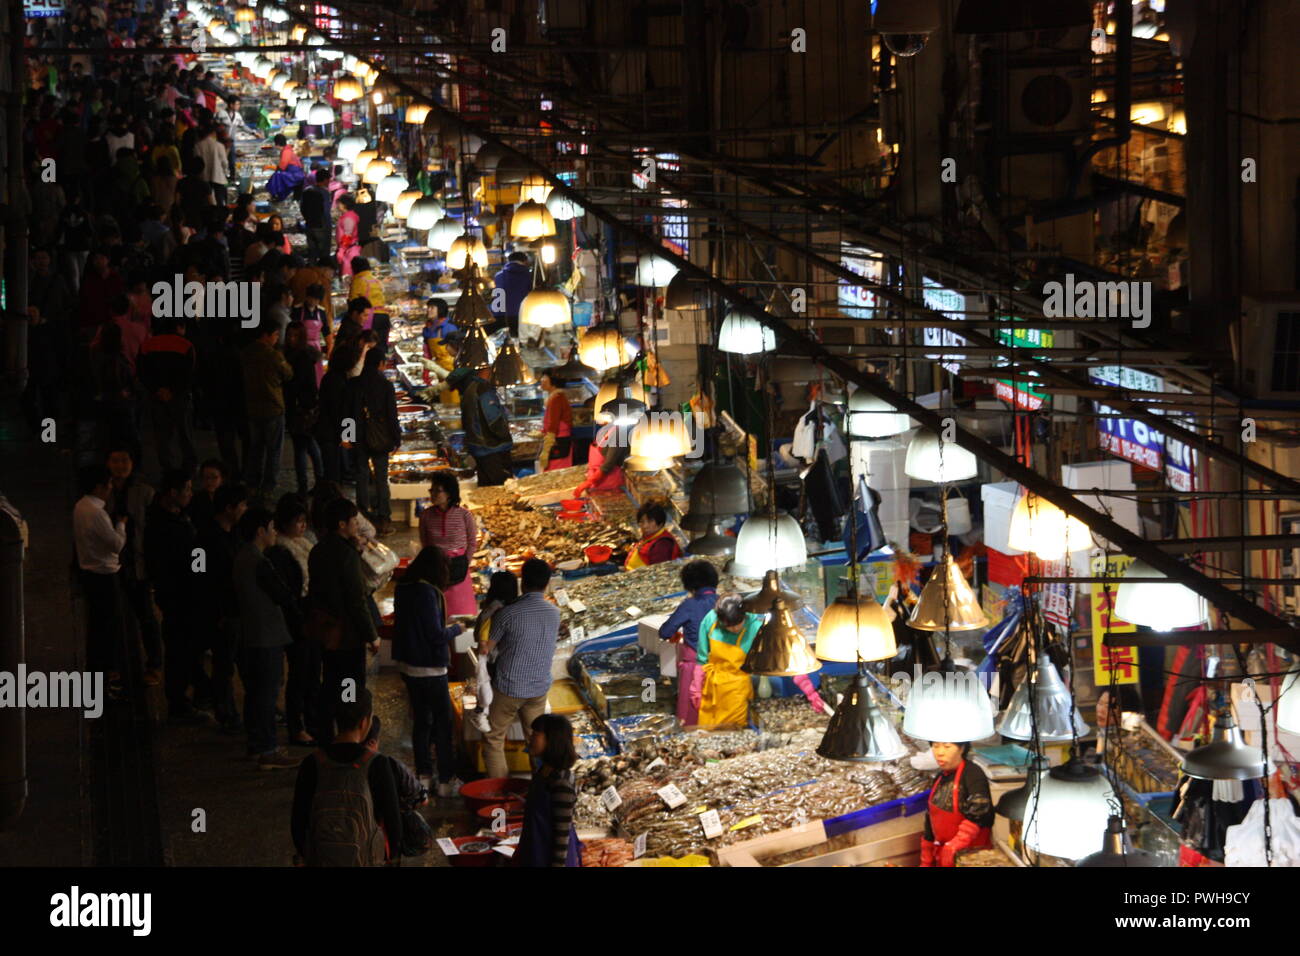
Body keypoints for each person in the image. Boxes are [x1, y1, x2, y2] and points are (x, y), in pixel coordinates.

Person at [291, 688, 402, 867]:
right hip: (366, 859)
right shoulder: (378, 763)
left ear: (336, 720)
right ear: (364, 722)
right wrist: (393, 857)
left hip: (321, 858)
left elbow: (298, 821)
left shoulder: (312, 763)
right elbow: (393, 821)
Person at [307, 497, 379, 744]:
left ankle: (327, 731)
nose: (356, 525)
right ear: (341, 524)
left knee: (331, 680)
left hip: (326, 632)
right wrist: (371, 635)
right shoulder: (345, 555)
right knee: (349, 684)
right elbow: (356, 600)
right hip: (347, 634)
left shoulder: (317, 550)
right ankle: (349, 730)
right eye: (352, 521)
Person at [232, 507, 299, 769]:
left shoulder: (241, 557)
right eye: (271, 528)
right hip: (265, 635)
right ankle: (268, 750)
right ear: (260, 532)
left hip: (250, 634)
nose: (274, 533)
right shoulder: (259, 561)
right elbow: (283, 594)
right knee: (267, 694)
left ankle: (256, 745)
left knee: (255, 693)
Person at [393, 545, 464, 795]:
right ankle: (445, 780)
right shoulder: (427, 592)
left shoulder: (403, 588)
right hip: (431, 670)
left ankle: (423, 777)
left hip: (409, 666)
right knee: (443, 726)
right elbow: (435, 635)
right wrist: (457, 629)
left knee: (421, 722)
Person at [483, 558, 560, 779]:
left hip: (509, 687)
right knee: (536, 739)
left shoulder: (508, 613)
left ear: (522, 582)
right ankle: (541, 787)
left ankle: (499, 792)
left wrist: (487, 615)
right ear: (547, 584)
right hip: (538, 688)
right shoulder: (554, 613)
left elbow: (486, 649)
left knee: (494, 737)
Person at [143, 469, 206, 723]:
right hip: (178, 596)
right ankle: (179, 701)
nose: (191, 494)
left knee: (185, 647)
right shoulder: (163, 526)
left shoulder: (177, 516)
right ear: (173, 493)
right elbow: (178, 562)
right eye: (187, 490)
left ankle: (189, 694)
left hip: (181, 594)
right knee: (180, 648)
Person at [265, 494, 320, 747]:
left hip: (310, 613)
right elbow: (290, 590)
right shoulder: (281, 550)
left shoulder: (304, 543)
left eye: (304, 521)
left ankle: (310, 719)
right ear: (285, 523)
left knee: (310, 671)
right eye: (298, 521)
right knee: (299, 672)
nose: (303, 526)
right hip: (297, 616)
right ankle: (296, 725)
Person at [196, 482, 249, 732]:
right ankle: (226, 712)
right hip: (222, 613)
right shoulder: (205, 538)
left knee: (242, 663)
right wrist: (214, 612)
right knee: (224, 665)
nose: (244, 509)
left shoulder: (236, 534)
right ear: (229, 508)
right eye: (242, 505)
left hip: (238, 610)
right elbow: (200, 579)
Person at [106, 447, 162, 685]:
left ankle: (154, 664)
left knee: (146, 617)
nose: (120, 466)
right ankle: (115, 665)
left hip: (137, 563)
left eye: (124, 460)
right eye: (115, 460)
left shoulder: (144, 492)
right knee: (114, 617)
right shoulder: (102, 490)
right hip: (112, 563)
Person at [73, 464, 129, 702]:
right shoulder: (97, 512)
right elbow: (116, 544)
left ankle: (98, 682)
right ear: (98, 486)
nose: (110, 489)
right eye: (108, 484)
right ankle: (107, 684)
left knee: (97, 630)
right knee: (109, 632)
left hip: (89, 574)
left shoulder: (80, 507)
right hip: (104, 577)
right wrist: (121, 525)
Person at [347, 338, 400, 534]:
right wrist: (396, 439)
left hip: (358, 437)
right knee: (380, 478)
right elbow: (391, 415)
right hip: (380, 438)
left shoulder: (353, 384)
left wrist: (347, 438)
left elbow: (348, 413)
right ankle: (384, 518)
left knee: (361, 476)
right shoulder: (385, 386)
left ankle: (363, 516)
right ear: (380, 364)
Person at [658, 560, 719, 727]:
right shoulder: (723, 602)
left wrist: (680, 632)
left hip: (695, 670)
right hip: (724, 668)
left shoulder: (689, 605)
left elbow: (665, 632)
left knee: (691, 718)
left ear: (689, 583)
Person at [514, 714, 580, 867]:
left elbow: (562, 834)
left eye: (535, 735)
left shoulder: (561, 782)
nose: (530, 738)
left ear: (552, 740)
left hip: (549, 858)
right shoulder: (544, 771)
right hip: (535, 850)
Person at [137, 315, 197, 476]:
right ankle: (189, 467)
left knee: (162, 435)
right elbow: (189, 374)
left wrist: (157, 389)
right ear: (178, 327)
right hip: (179, 397)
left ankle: (167, 468)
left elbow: (142, 372)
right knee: (185, 433)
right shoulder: (186, 346)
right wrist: (173, 391)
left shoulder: (148, 345)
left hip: (156, 396)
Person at [241, 320, 292, 503]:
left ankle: (252, 484)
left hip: (252, 408)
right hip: (273, 408)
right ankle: (268, 487)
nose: (277, 338)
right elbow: (288, 374)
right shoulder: (273, 356)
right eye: (276, 335)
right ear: (266, 335)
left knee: (255, 449)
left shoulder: (246, 353)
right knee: (273, 451)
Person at [921, 741, 994, 867]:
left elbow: (980, 810)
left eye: (947, 746)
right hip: (945, 856)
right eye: (935, 746)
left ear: (962, 748)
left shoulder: (973, 773)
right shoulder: (939, 777)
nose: (940, 753)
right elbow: (930, 818)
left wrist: (958, 842)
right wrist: (926, 857)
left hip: (972, 857)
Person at [695, 593, 762, 728]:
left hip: (737, 690)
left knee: (733, 730)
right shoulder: (710, 620)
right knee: (706, 732)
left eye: (738, 623)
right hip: (712, 687)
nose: (735, 628)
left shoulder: (756, 627)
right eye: (729, 626)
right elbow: (701, 659)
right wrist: (696, 687)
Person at [417, 473, 478, 617]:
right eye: (431, 490)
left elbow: (472, 542)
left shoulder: (465, 515)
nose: (432, 494)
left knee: (460, 612)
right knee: (437, 610)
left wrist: (464, 563)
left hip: (459, 569)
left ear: (449, 493)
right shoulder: (425, 516)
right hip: (435, 568)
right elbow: (425, 542)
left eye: (437, 490)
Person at [447, 364, 514, 487]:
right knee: (500, 489)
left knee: (488, 488)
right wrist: (505, 436)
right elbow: (494, 420)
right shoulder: (481, 389)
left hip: (481, 449)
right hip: (492, 449)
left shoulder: (472, 391)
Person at [284, 320, 324, 496]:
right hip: (303, 407)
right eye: (289, 335)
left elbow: (299, 384)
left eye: (295, 336)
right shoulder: (301, 355)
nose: (292, 339)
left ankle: (304, 485)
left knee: (301, 447)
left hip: (302, 408)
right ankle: (320, 479)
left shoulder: (301, 358)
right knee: (309, 444)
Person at [573, 400, 636, 497]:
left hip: (610, 484)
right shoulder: (609, 430)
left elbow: (608, 465)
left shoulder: (619, 433)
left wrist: (589, 482)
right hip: (599, 481)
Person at [625, 502, 682, 570]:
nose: (645, 526)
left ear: (660, 523)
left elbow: (658, 571)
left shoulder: (662, 545)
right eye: (642, 522)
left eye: (650, 521)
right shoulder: (649, 537)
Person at [537, 369, 573, 471]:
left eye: (544, 377)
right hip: (558, 438)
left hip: (558, 440)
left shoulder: (557, 398)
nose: (541, 380)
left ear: (553, 381)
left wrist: (546, 450)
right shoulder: (555, 397)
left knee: (556, 471)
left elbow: (553, 424)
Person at [491, 250, 533, 337]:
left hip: (500, 316)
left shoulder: (498, 275)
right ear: (525, 261)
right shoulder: (529, 275)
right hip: (522, 316)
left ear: (508, 261)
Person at [300, 168, 333, 261]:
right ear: (325, 180)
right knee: (323, 253)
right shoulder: (324, 193)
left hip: (309, 225)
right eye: (329, 180)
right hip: (321, 227)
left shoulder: (306, 190)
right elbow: (326, 211)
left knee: (312, 252)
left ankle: (312, 271)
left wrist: (307, 219)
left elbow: (302, 208)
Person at [188, 459, 226, 534]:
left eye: (214, 477)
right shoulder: (195, 500)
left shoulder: (228, 498)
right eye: (206, 477)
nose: (209, 481)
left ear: (222, 479)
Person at [194, 124, 228, 207]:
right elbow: (224, 163)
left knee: (206, 203)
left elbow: (197, 163)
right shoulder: (219, 146)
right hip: (218, 178)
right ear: (213, 133)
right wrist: (225, 172)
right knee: (220, 202)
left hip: (203, 178)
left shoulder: (198, 146)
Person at [335, 195, 360, 276]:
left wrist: (341, 250)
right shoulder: (347, 216)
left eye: (339, 203)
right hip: (348, 250)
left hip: (350, 251)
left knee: (348, 275)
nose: (337, 205)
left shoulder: (348, 218)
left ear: (344, 205)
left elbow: (347, 235)